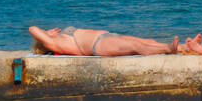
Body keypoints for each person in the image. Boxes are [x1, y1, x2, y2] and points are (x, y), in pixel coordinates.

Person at [28, 26, 188, 56]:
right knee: (137, 46)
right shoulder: (52, 43)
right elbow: (32, 29)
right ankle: (168, 49)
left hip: (105, 36)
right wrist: (47, 33)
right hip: (98, 46)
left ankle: (183, 48)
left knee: (147, 40)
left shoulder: (56, 39)